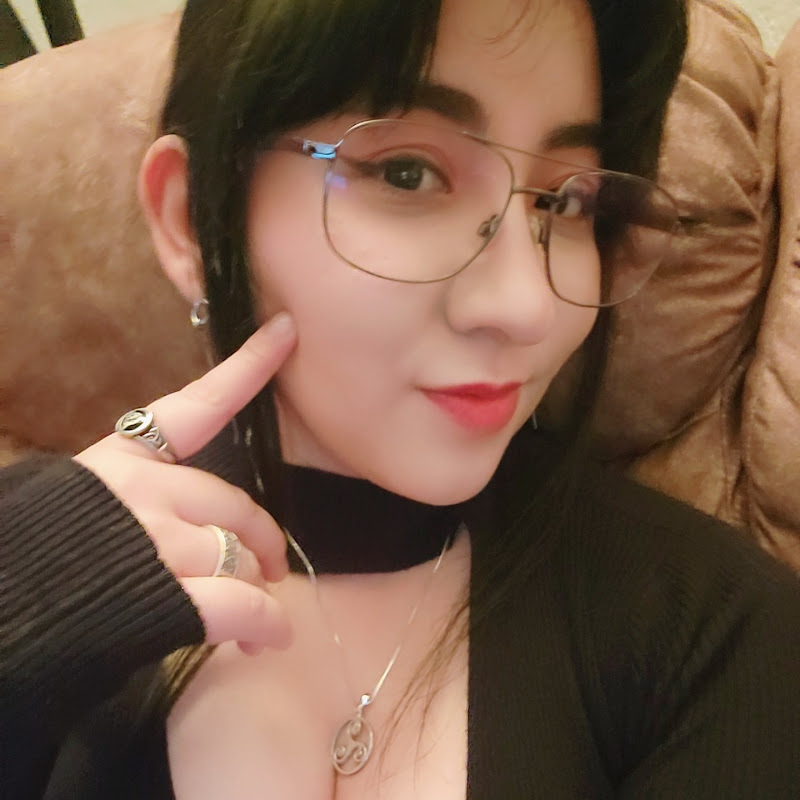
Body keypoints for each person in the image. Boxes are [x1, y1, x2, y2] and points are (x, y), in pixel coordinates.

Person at [2, 0, 799, 797]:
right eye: (408, 172)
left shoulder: (716, 637)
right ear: (191, 220)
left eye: (567, 201)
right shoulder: (26, 567)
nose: (528, 306)